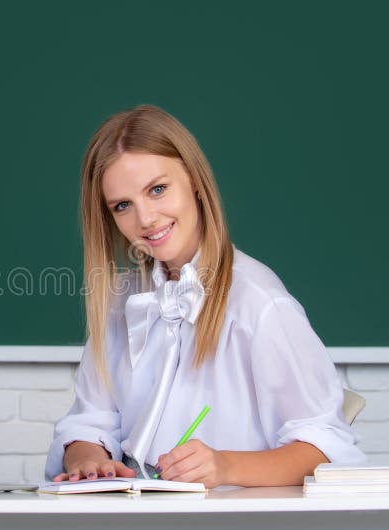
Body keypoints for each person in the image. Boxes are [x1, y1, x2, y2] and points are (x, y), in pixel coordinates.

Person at [45, 104, 366, 488]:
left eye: (158, 190)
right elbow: (89, 418)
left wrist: (225, 467)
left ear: (195, 180)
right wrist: (89, 459)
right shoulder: (122, 303)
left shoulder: (260, 305)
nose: (145, 219)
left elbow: (326, 446)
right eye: (123, 206)